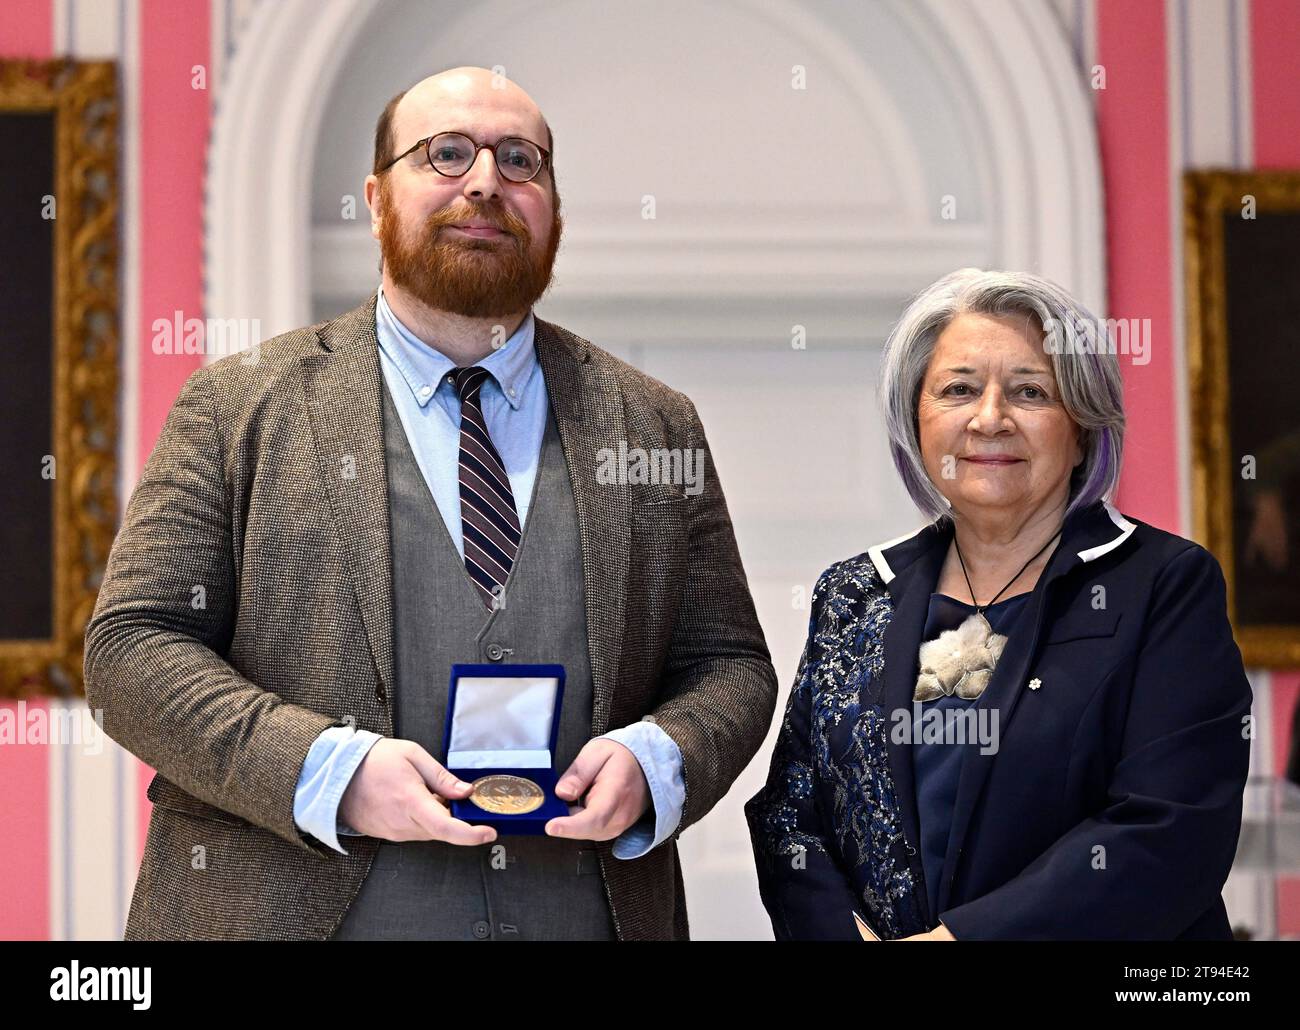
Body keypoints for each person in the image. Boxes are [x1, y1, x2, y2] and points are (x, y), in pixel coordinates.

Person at [84, 67, 776, 941]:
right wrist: (324, 770)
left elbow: (731, 666)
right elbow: (129, 651)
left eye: (520, 161)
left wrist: (659, 760)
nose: (485, 180)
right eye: (445, 153)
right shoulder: (236, 407)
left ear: (553, 211)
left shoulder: (653, 421)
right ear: (377, 198)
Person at [745, 268, 1252, 940]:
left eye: (1030, 392)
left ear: (1081, 428)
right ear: (915, 419)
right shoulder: (855, 592)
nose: (989, 418)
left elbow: (1170, 825)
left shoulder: (1163, 585)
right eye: (958, 389)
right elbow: (791, 814)